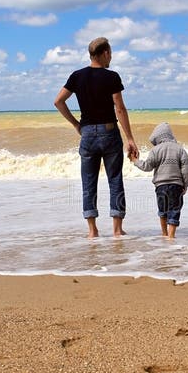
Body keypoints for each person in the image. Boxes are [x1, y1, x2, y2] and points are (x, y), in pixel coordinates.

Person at [54, 37, 139, 238]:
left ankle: (92, 231)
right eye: (110, 53)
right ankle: (117, 230)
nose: (111, 57)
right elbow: (119, 107)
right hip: (109, 132)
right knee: (115, 180)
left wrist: (77, 125)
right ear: (105, 53)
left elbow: (58, 101)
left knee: (88, 182)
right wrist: (130, 138)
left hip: (88, 134)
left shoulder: (77, 76)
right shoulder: (112, 77)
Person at [130, 123, 188, 239]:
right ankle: (171, 236)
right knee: (175, 209)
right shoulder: (180, 149)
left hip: (160, 187)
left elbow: (147, 166)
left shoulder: (155, 150)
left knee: (162, 210)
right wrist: (185, 184)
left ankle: (164, 233)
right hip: (176, 186)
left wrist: (135, 160)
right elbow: (186, 169)